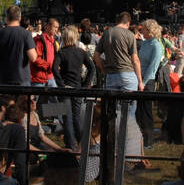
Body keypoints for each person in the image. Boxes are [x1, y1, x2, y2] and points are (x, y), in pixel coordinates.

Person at [96, 11, 146, 168]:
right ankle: (129, 159)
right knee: (129, 117)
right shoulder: (129, 34)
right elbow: (135, 59)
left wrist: (104, 71)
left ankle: (114, 154)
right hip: (127, 76)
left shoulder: (107, 33)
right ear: (128, 23)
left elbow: (96, 56)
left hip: (111, 77)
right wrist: (140, 81)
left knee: (113, 116)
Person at [52, 24, 95, 150]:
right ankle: (83, 144)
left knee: (67, 118)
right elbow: (92, 68)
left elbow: (54, 69)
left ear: (64, 38)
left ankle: (70, 146)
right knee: (76, 117)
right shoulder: (81, 52)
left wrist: (61, 84)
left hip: (65, 88)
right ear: (75, 37)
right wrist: (85, 85)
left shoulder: (61, 53)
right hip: (77, 88)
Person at [0, 4, 37, 87]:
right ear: (19, 18)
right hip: (22, 80)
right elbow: (33, 58)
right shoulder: (26, 34)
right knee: (22, 100)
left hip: (5, 79)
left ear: (7, 18)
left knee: (6, 100)